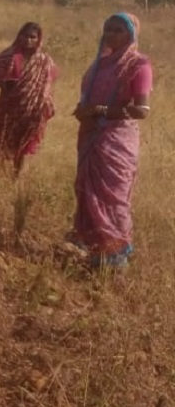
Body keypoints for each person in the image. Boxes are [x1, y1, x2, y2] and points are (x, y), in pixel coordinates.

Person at [70, 13, 152, 269]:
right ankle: (96, 254)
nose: (111, 34)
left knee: (113, 196)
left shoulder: (138, 65)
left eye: (118, 30)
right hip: (91, 136)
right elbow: (87, 99)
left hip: (116, 142)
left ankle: (115, 259)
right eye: (108, 29)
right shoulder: (98, 65)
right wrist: (82, 110)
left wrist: (99, 110)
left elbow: (141, 110)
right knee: (87, 192)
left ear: (131, 35)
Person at [0, 22, 58, 173]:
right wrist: (3, 83)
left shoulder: (44, 61)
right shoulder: (10, 55)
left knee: (25, 144)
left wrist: (44, 104)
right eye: (25, 36)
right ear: (19, 36)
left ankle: (16, 179)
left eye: (33, 37)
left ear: (38, 39)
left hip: (32, 111)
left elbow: (48, 83)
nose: (28, 40)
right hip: (9, 107)